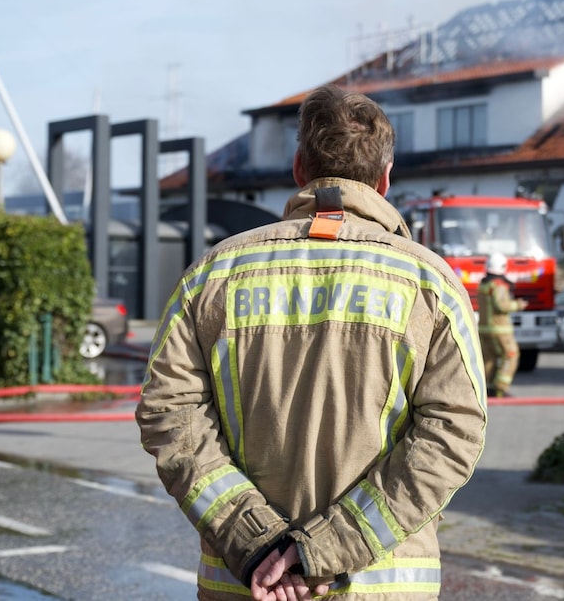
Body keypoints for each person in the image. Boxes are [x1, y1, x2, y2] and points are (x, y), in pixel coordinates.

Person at [136, 84, 487, 601]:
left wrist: (258, 542)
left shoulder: (212, 274)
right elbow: (453, 432)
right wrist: (320, 551)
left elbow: (170, 415)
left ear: (300, 169)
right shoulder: (430, 284)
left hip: (245, 585)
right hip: (379, 589)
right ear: (385, 180)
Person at [477, 253, 527, 397]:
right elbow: (501, 305)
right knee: (511, 355)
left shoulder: (484, 284)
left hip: (484, 329)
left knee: (489, 358)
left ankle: (487, 387)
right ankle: (500, 387)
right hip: (500, 329)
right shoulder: (498, 286)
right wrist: (518, 304)